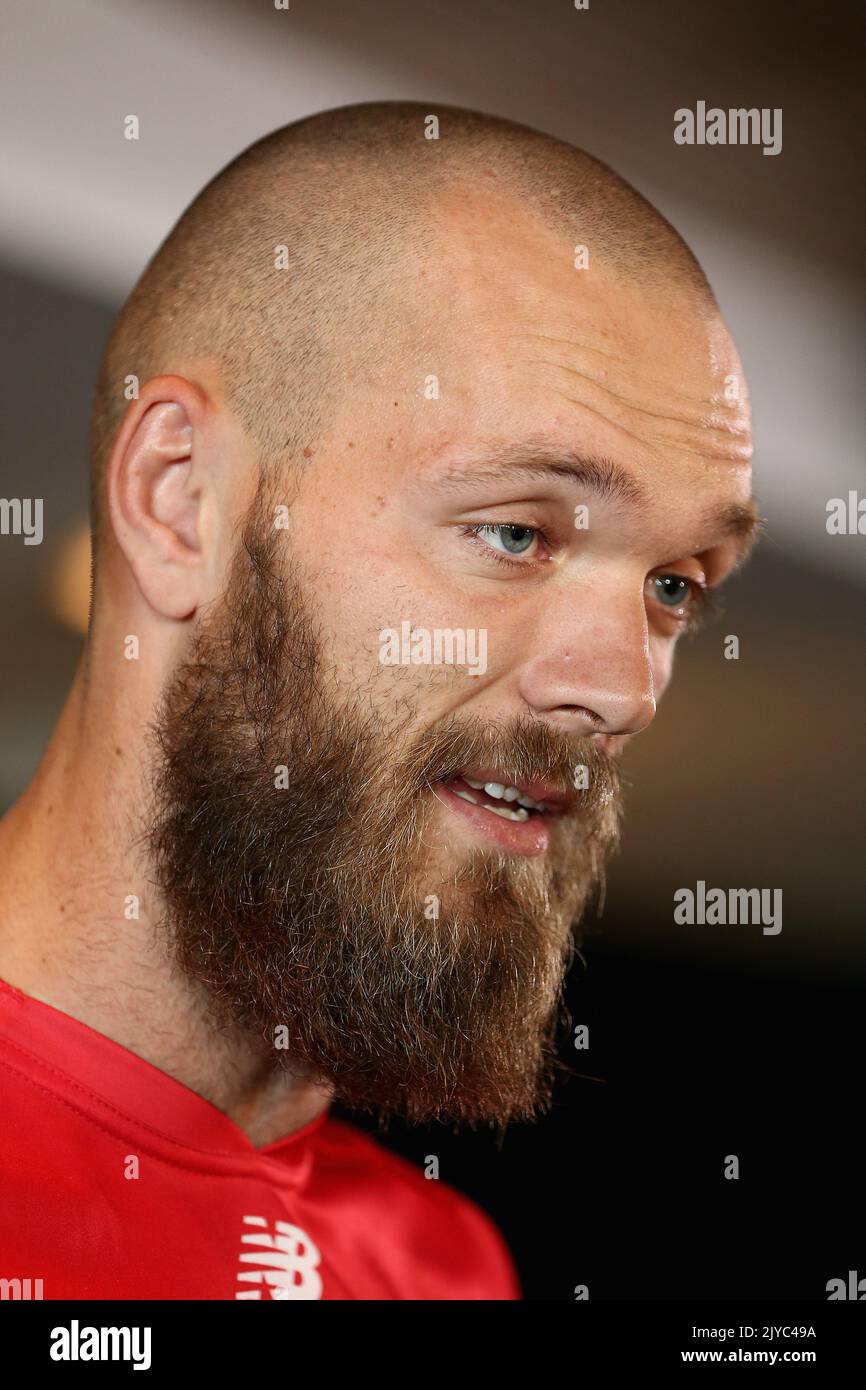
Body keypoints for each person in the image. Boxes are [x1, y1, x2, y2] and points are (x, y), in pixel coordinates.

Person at [0, 102, 758, 1300]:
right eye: (514, 532)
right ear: (178, 501)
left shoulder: (446, 1268)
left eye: (674, 584)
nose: (621, 690)